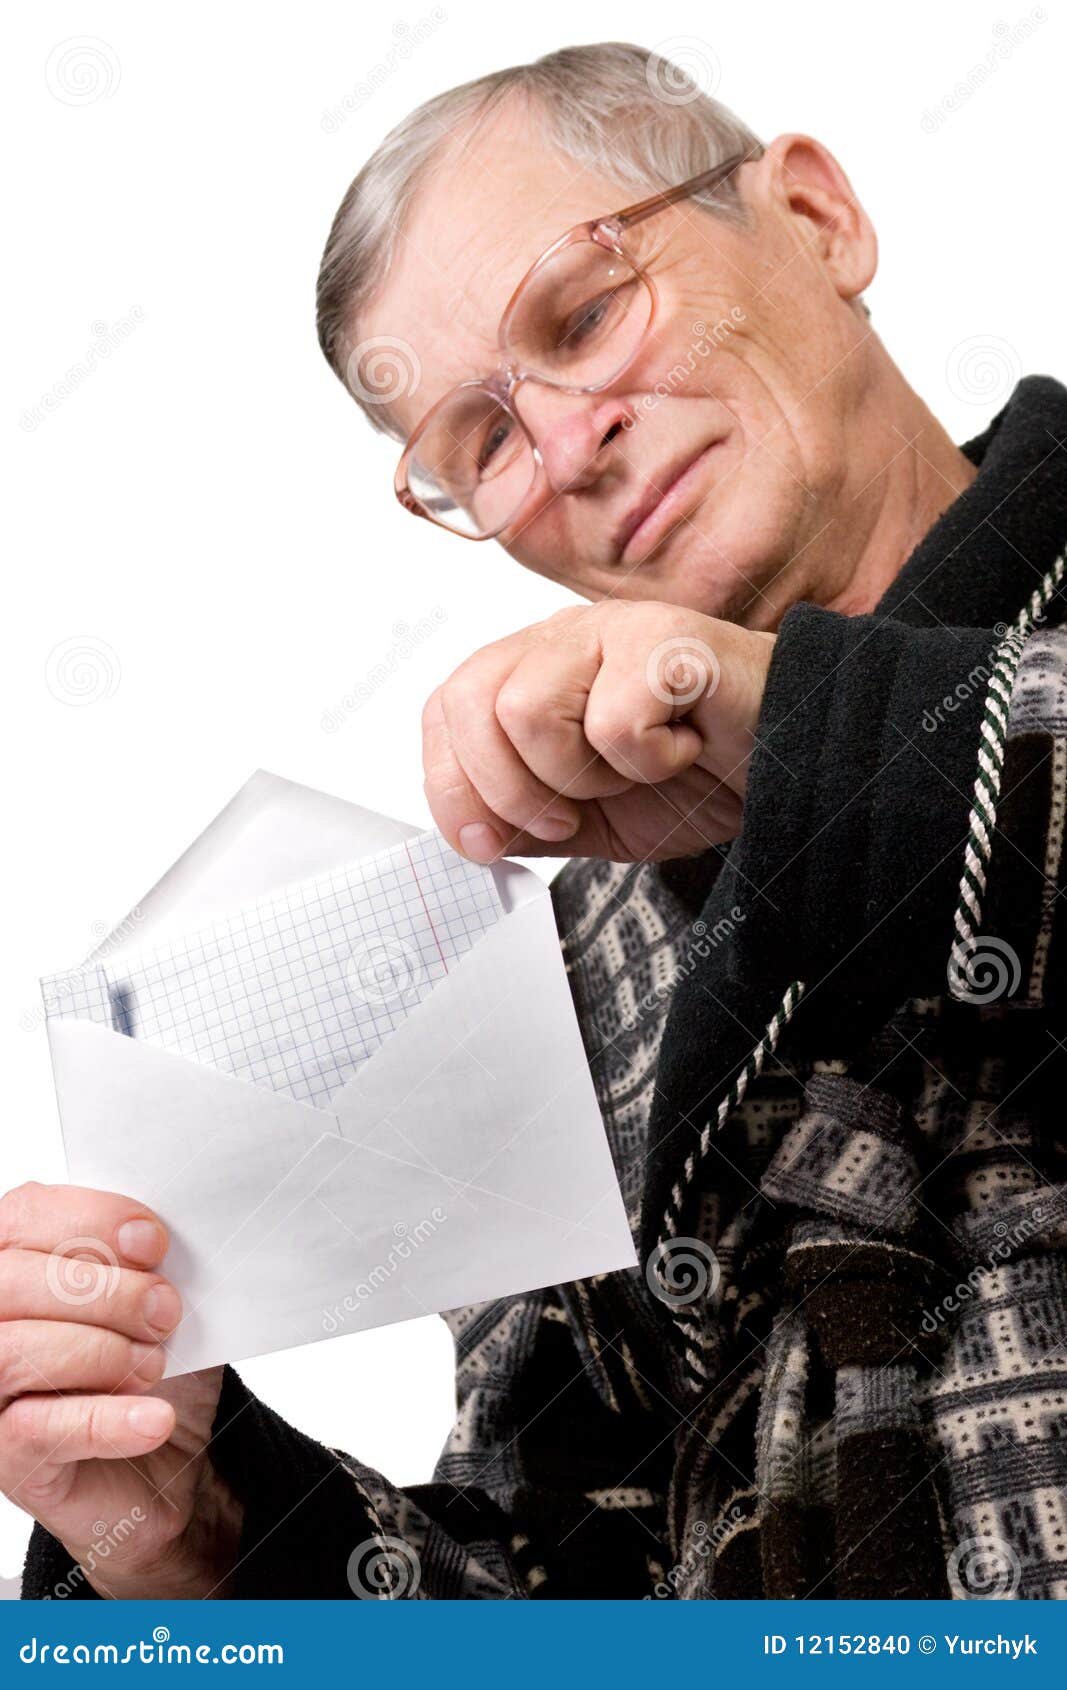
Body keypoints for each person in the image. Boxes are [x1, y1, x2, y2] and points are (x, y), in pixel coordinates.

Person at [11, 42, 1067, 1600]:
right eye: (486, 445)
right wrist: (212, 1524)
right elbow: (579, 1576)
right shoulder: (569, 958)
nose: (569, 447)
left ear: (818, 216)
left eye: (582, 315)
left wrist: (809, 736)